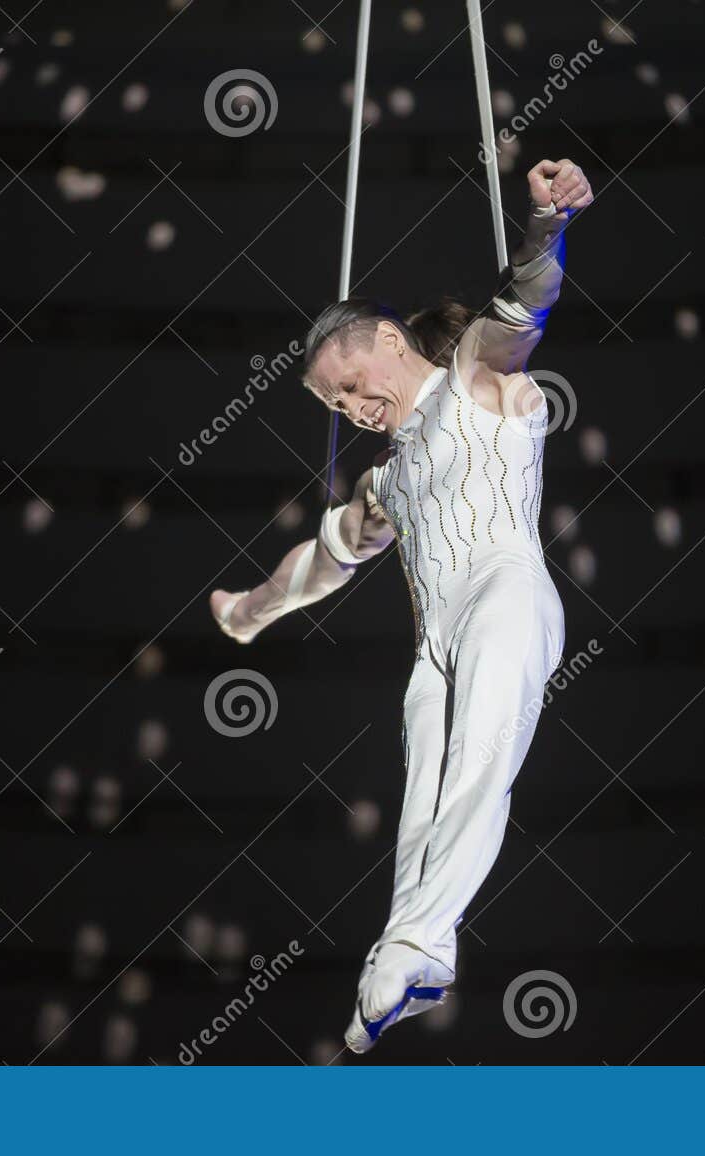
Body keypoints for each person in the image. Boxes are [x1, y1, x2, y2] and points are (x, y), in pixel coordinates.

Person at [209, 158, 593, 1053]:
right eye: (333, 405)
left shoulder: (476, 377)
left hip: (505, 591)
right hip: (436, 649)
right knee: (421, 811)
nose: (352, 408)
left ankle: (419, 941)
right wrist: (253, 611)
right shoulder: (384, 481)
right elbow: (323, 560)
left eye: (349, 384)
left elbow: (527, 302)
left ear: (388, 339)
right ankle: (410, 949)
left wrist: (547, 227)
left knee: (478, 765)